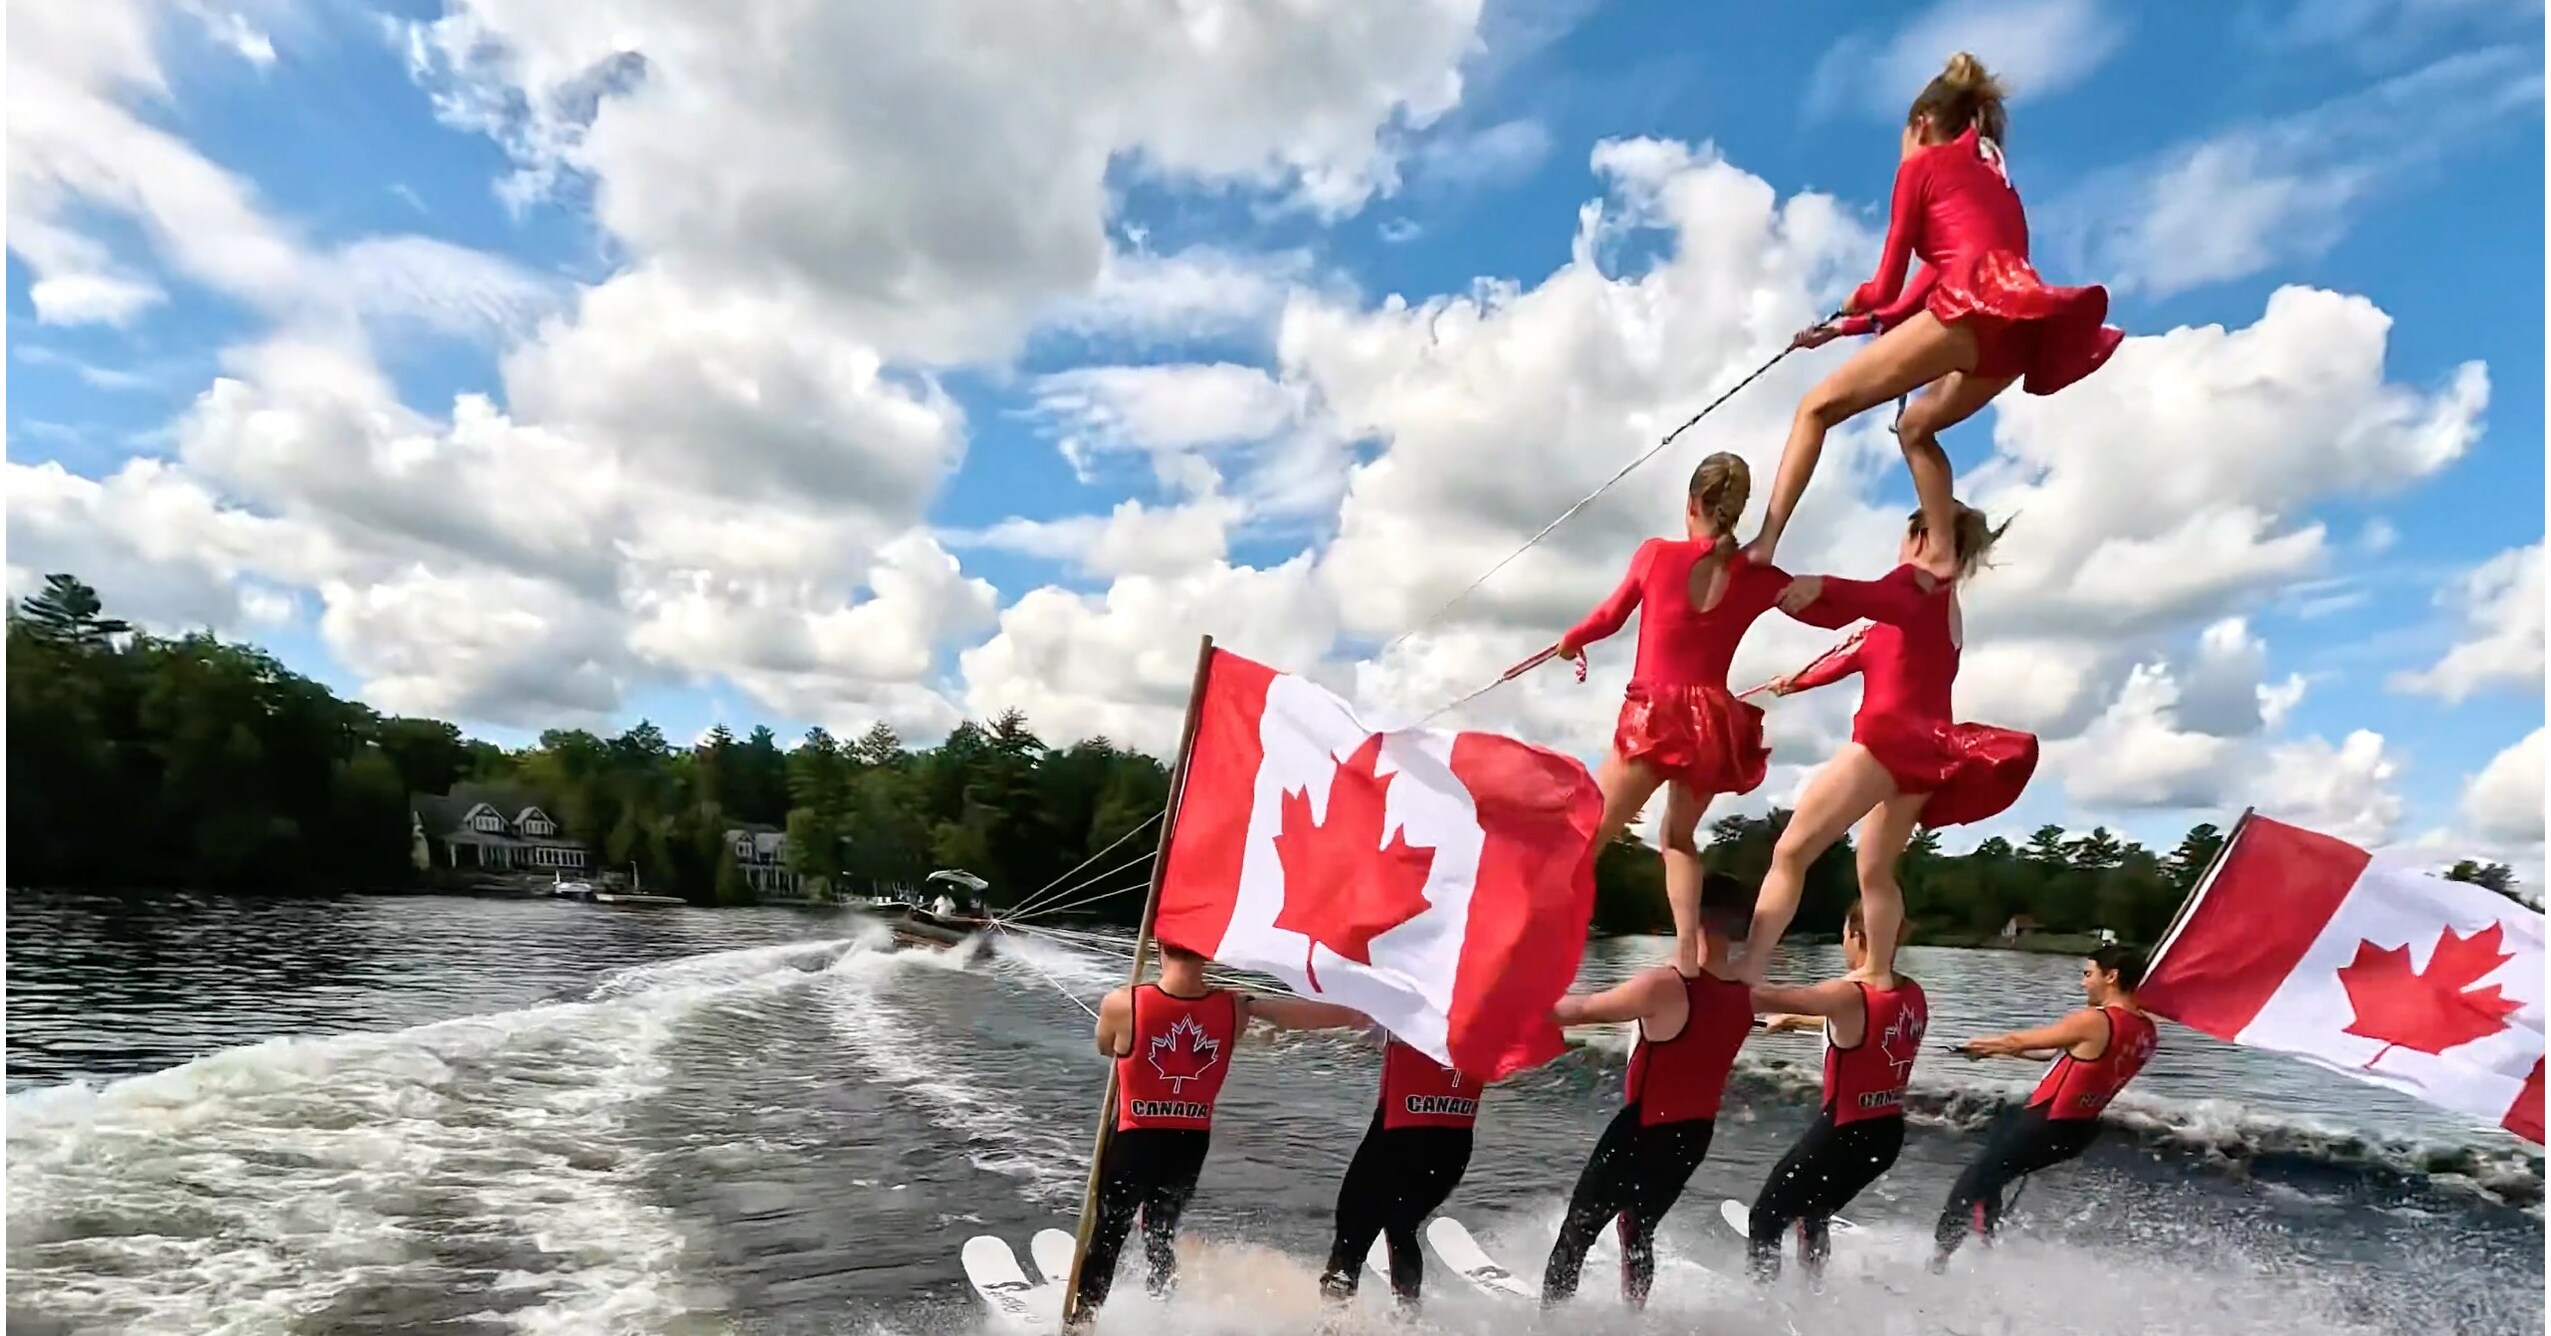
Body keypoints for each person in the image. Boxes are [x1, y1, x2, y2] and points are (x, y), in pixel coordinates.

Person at [1745, 51, 2122, 588]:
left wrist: (1855, 299)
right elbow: (1905, 307)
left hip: (1970, 312)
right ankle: (1942, 556)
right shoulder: (1988, 179)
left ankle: (1764, 544)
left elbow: (1884, 290)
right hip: (2014, 329)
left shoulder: (1920, 168)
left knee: (1815, 409)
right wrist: (1838, 330)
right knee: (1916, 427)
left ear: (1920, 125)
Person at [1731, 504, 2038, 984]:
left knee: (1791, 853)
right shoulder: (1935, 606)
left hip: (1885, 742)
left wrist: (1812, 586)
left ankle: (1748, 967)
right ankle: (1877, 970)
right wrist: (1798, 681)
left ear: (1919, 538)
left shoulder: (1916, 585)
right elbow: (1860, 649)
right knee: (1873, 867)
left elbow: (1861, 598)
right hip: (1927, 755)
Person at [1552, 453, 1804, 973]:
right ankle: (1687, 958)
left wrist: (1570, 640)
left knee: (1590, 832)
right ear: (1736, 510)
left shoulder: (1655, 554)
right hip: (1712, 723)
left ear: (1691, 503)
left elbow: (1608, 616)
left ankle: (1545, 939)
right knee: (1678, 839)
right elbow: (1821, 606)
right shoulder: (1756, 575)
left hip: (1655, 715)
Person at [1074, 942, 1367, 1326]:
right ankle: (1162, 1310)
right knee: (1160, 1233)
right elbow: (1294, 1015)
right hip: (1188, 1145)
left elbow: (1104, 1047)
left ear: (1158, 949)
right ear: (1207, 954)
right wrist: (1362, 1013)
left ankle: (1082, 1322)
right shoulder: (1233, 1008)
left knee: (1108, 1235)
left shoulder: (1122, 1002)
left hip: (1135, 1139)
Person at [1539, 872, 1761, 1308]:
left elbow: (1573, 1011)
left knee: (1577, 1234)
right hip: (1695, 1136)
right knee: (1638, 1230)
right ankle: (1634, 1319)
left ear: (1689, 912)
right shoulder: (1746, 993)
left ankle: (1548, 1324)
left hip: (1642, 1130)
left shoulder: (1666, 985)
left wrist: (1503, 1001)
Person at [1932, 945, 2159, 1267]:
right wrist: (1996, 1052)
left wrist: (1981, 1044)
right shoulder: (2146, 1030)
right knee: (1993, 1175)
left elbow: (2022, 1040)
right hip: (2079, 1130)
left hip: (2045, 1121)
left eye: (2088, 974)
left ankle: (1939, 1261)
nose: (2084, 983)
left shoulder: (2096, 1020)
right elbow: (2054, 1054)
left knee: (1972, 1183)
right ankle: (1985, 1245)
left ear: (2112, 976)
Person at [1744, 902, 1926, 1284]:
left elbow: (1761, 996)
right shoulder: (1912, 992)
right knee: (1813, 1213)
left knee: (1764, 1219)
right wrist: (1796, 1020)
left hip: (1842, 1132)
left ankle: (1761, 1307)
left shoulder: (1846, 993)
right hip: (1886, 1134)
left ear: (1858, 936)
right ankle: (1813, 1297)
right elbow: (1870, 1027)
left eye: (1845, 933)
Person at [1318, 1035, 1479, 1309]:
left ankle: (1333, 1322)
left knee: (1351, 1238)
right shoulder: (1489, 1014)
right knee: (1402, 1226)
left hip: (1398, 1137)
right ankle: (1408, 1318)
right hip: (1454, 1147)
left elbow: (1338, 1013)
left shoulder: (1404, 1005)